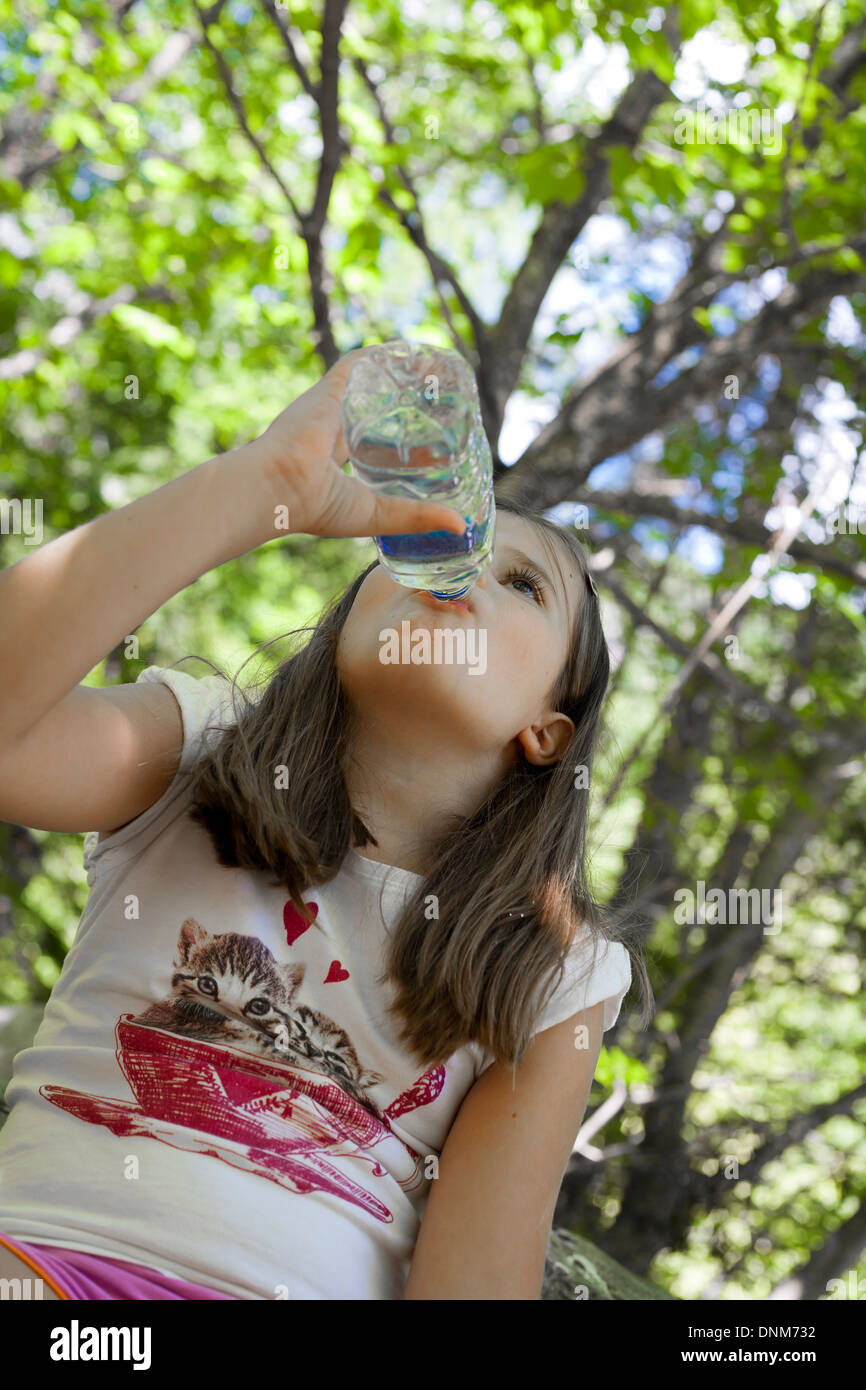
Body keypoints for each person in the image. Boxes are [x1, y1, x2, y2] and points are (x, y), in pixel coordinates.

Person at [0, 347, 648, 1300]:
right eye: (427, 537)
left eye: (523, 584)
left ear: (547, 731)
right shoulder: (199, 751)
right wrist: (262, 485)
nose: (459, 561)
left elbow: (473, 1281)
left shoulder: (559, 967)